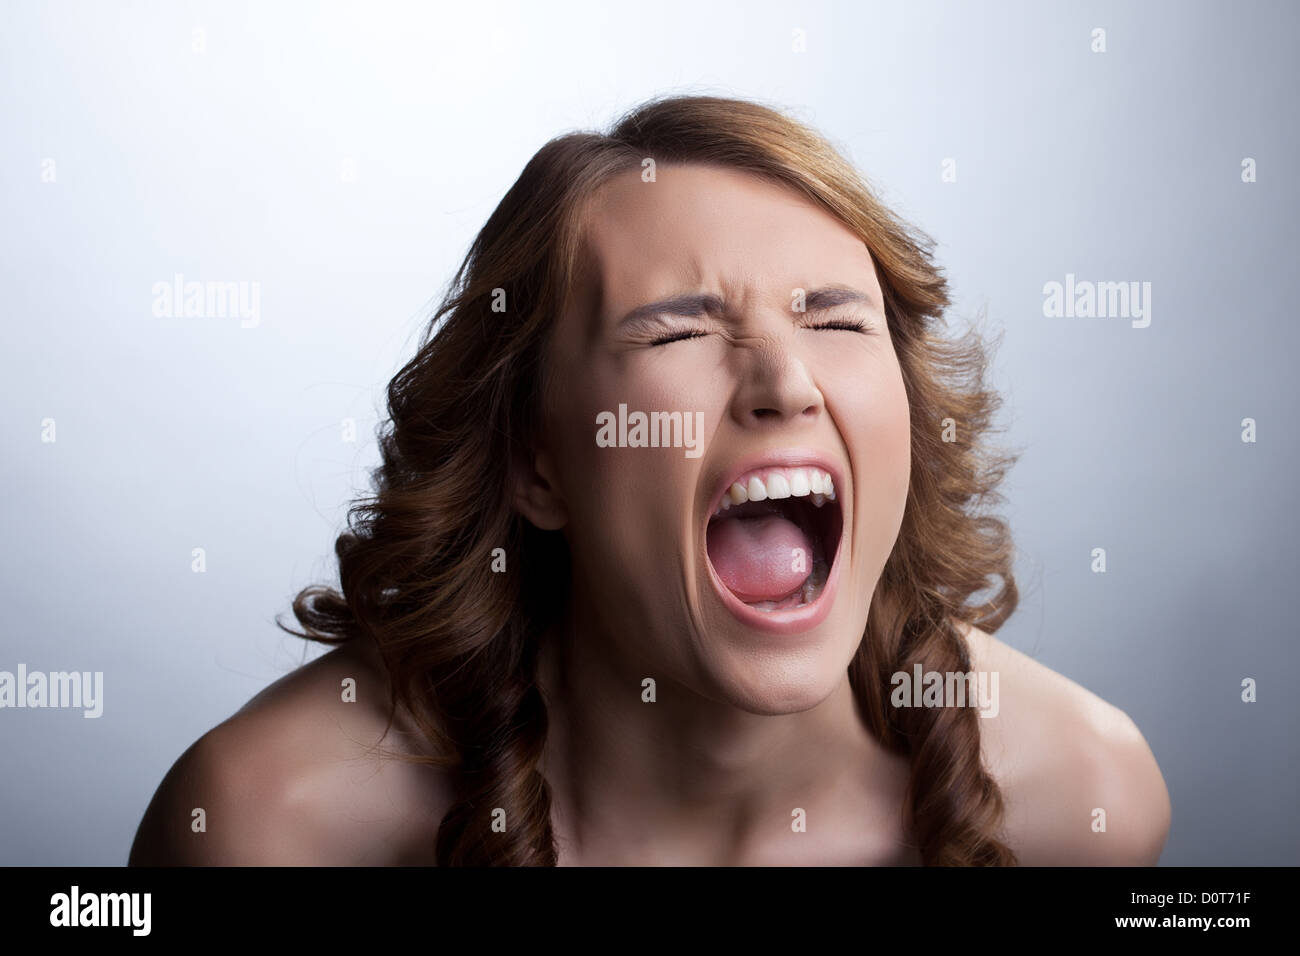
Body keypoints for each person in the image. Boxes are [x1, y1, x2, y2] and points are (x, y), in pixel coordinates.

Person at [129, 94, 1171, 866]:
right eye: (676, 327)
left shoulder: (1084, 794)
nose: (783, 380)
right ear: (537, 462)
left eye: (835, 318)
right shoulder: (268, 823)